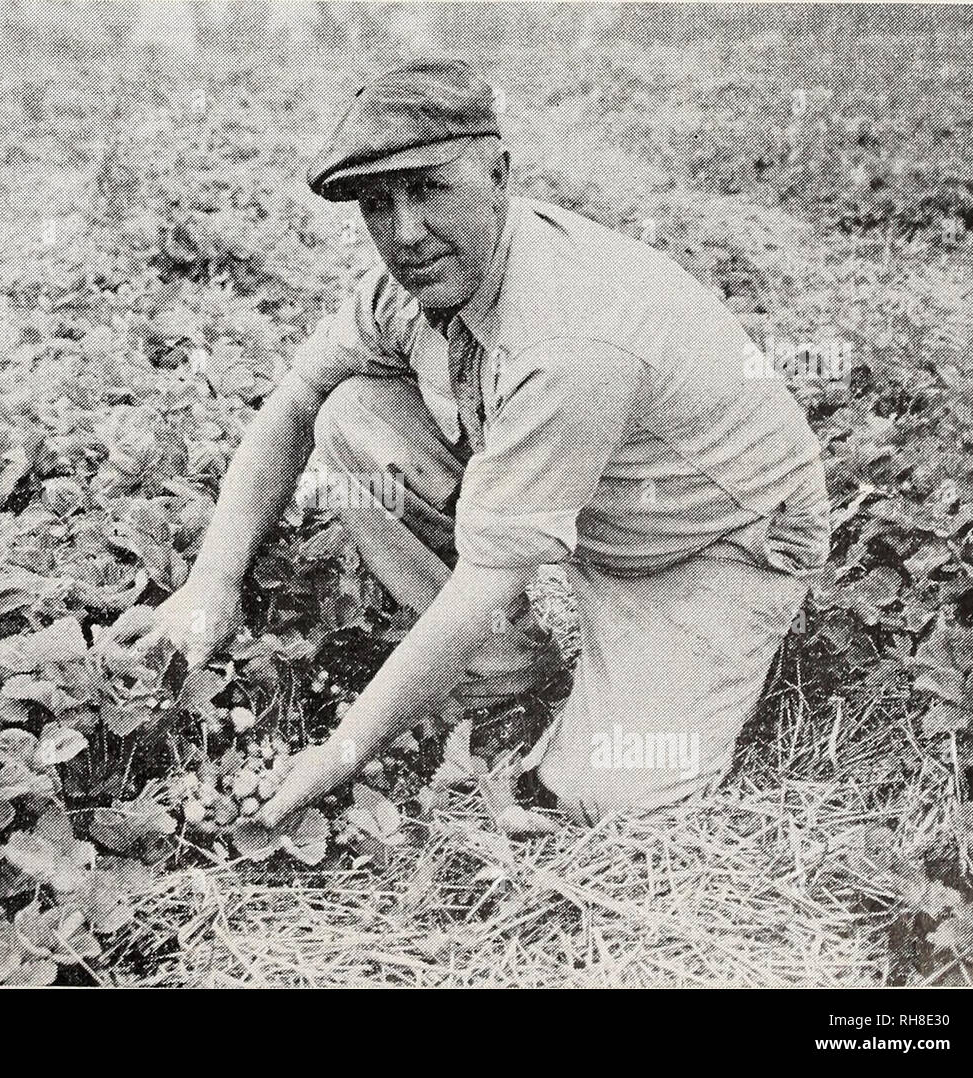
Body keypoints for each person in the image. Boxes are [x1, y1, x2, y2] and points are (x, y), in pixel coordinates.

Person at [101, 58, 830, 828]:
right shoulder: (412, 281)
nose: (405, 233)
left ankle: (724, 643)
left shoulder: (570, 336)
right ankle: (504, 677)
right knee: (350, 415)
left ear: (498, 174)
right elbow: (295, 402)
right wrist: (211, 581)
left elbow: (491, 573)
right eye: (377, 204)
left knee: (601, 794)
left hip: (707, 545)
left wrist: (342, 754)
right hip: (593, 516)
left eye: (429, 189)